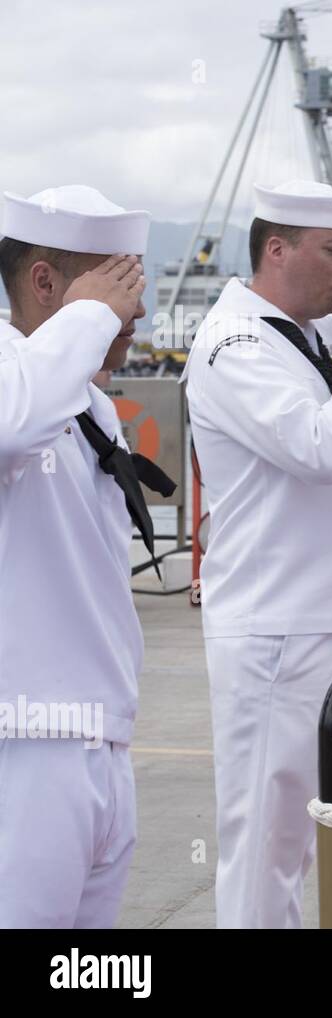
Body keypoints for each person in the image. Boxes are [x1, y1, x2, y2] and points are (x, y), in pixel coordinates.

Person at [184, 180, 332, 928]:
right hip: (278, 623)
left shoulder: (299, 333)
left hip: (324, 614)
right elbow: (322, 447)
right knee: (268, 840)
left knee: (320, 823)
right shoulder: (237, 345)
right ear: (276, 249)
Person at [0, 184, 163, 926]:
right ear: (44, 283)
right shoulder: (21, 381)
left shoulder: (86, 403)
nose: (135, 312)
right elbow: (14, 426)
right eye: (118, 285)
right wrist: (90, 314)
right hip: (22, 747)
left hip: (100, 744)